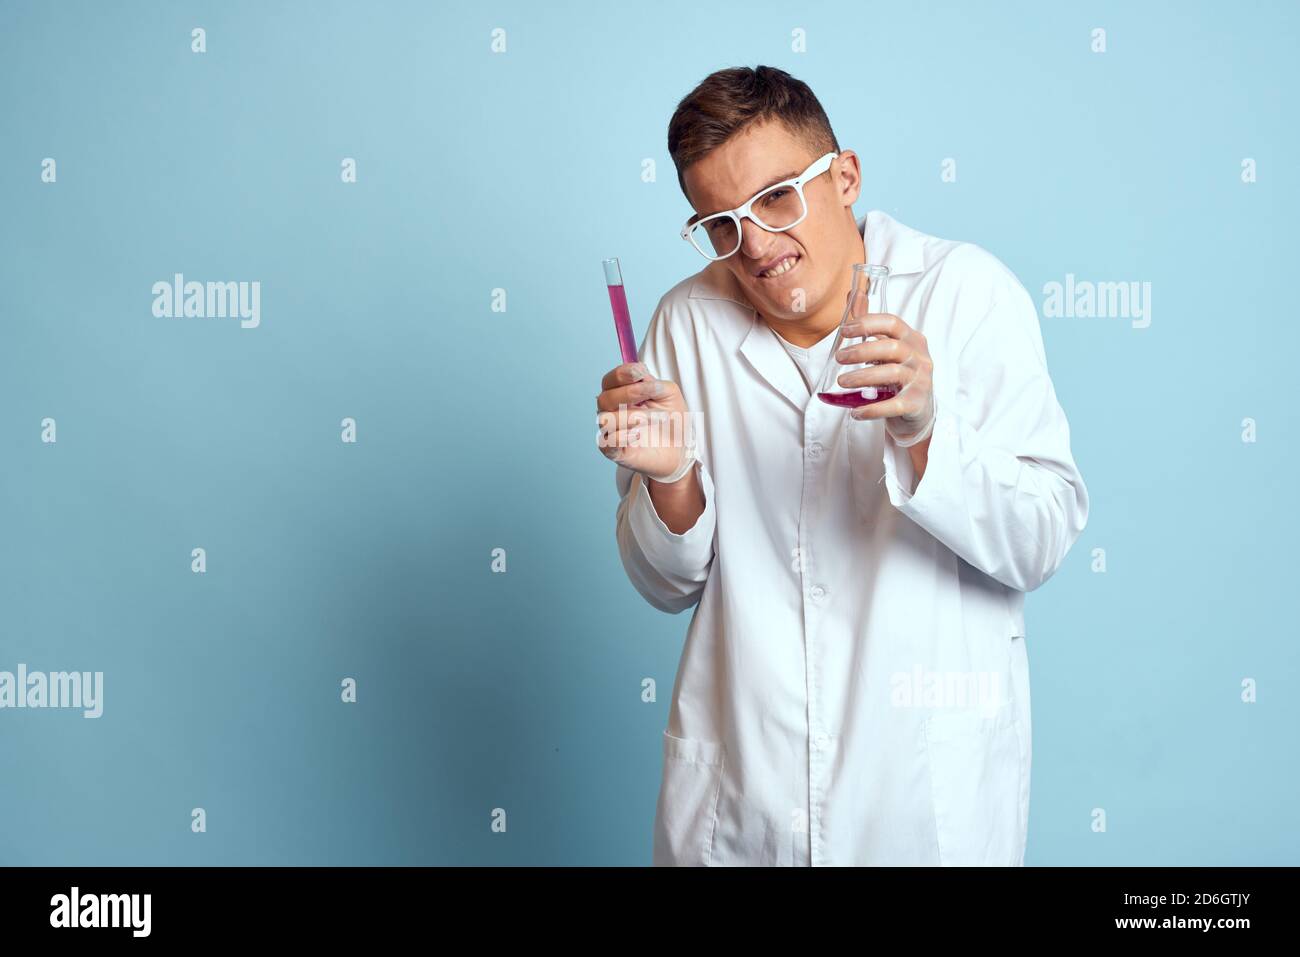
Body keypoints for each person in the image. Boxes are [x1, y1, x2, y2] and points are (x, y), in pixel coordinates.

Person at [595, 65, 1089, 866]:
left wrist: (926, 429)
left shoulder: (966, 294)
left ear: (846, 175)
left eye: (777, 197)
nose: (754, 245)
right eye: (720, 223)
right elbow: (663, 585)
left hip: (920, 809)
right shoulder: (686, 321)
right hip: (742, 805)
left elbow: (1041, 539)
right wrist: (669, 475)